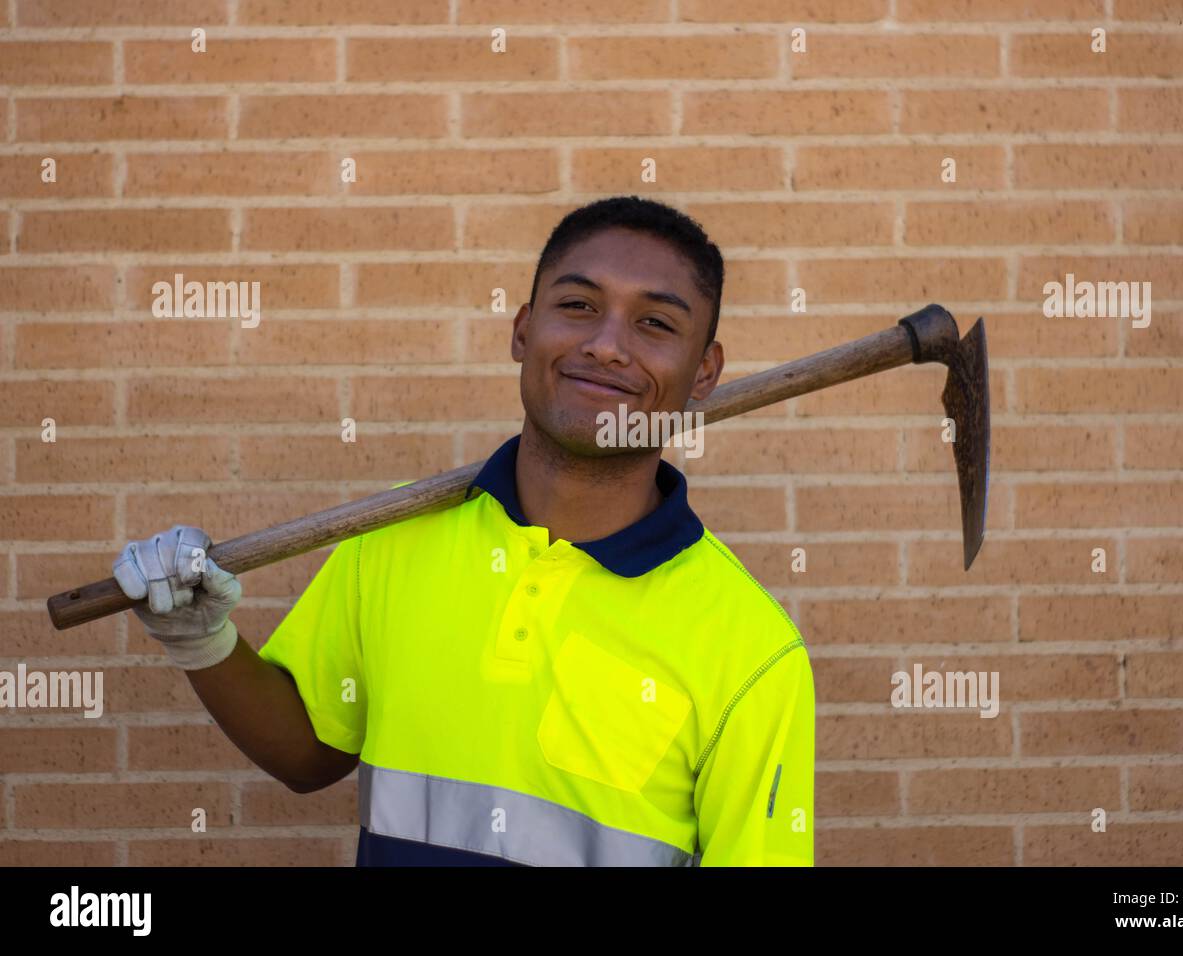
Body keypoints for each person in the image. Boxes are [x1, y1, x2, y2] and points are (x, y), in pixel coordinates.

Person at [113, 196, 816, 866]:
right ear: (522, 330)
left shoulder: (752, 649)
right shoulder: (392, 535)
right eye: (577, 306)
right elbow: (308, 754)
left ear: (705, 373)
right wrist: (203, 641)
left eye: (655, 324)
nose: (606, 346)